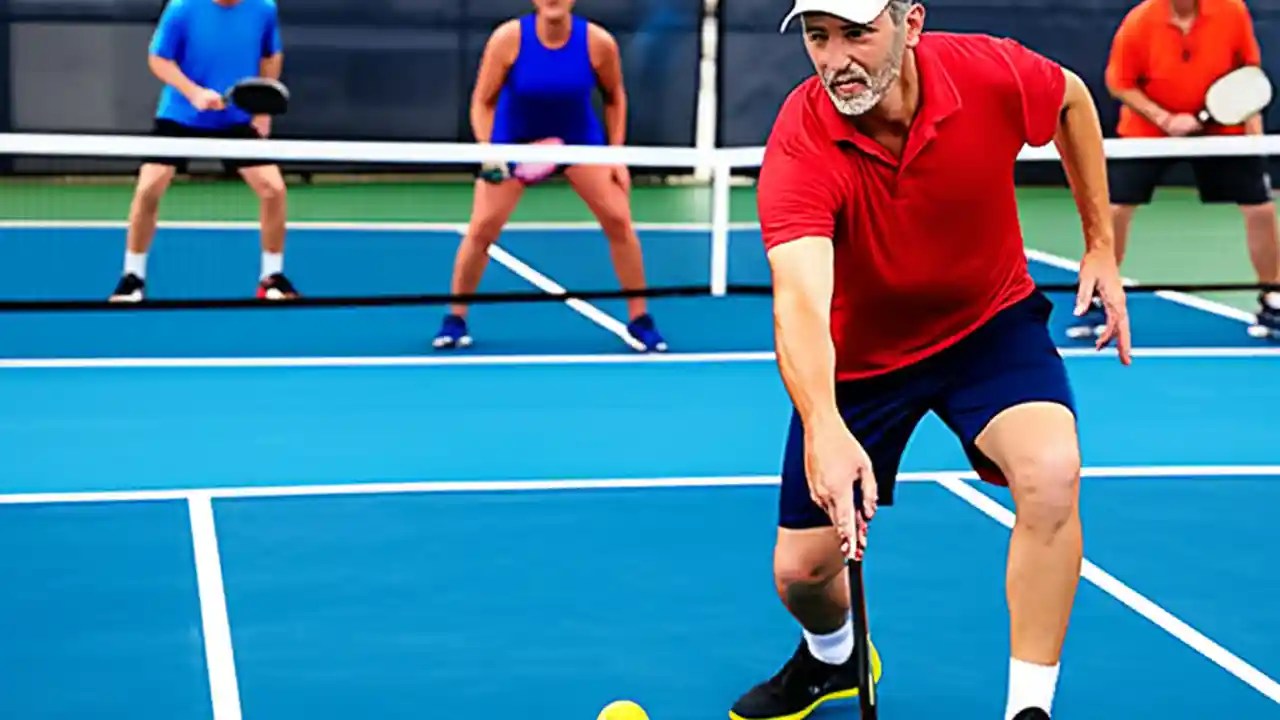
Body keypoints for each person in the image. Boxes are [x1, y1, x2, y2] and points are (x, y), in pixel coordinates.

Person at [729, 2, 1131, 720]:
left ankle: (1028, 710)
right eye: (818, 38)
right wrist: (824, 427)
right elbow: (798, 303)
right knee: (802, 574)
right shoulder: (802, 143)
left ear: (910, 24)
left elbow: (1071, 99)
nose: (835, 59)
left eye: (856, 33)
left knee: (1051, 473)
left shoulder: (989, 72)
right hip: (861, 359)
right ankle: (834, 658)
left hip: (987, 326)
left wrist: (1100, 244)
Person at [431, 0, 667, 352]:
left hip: (577, 143)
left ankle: (640, 319)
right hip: (515, 145)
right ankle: (455, 319)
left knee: (619, 221)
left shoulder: (597, 43)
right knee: (482, 229)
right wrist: (490, 152)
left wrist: (616, 155)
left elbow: (615, 96)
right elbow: (483, 101)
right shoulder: (508, 39)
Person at [1071, 0, 1279, 339]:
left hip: (1221, 129)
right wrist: (1164, 118)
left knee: (1260, 209)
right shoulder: (1140, 21)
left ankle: (1274, 297)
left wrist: (1252, 135)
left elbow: (1249, 75)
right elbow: (1119, 82)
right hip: (1148, 129)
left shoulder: (1231, 11)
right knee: (1114, 209)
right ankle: (1097, 293)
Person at [110, 0, 297, 303]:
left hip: (235, 118)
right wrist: (194, 92)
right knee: (149, 189)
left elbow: (270, 55)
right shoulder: (182, 7)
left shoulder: (263, 8)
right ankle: (132, 279)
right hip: (181, 115)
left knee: (273, 189)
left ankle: (271, 278)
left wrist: (261, 111)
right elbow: (158, 59)